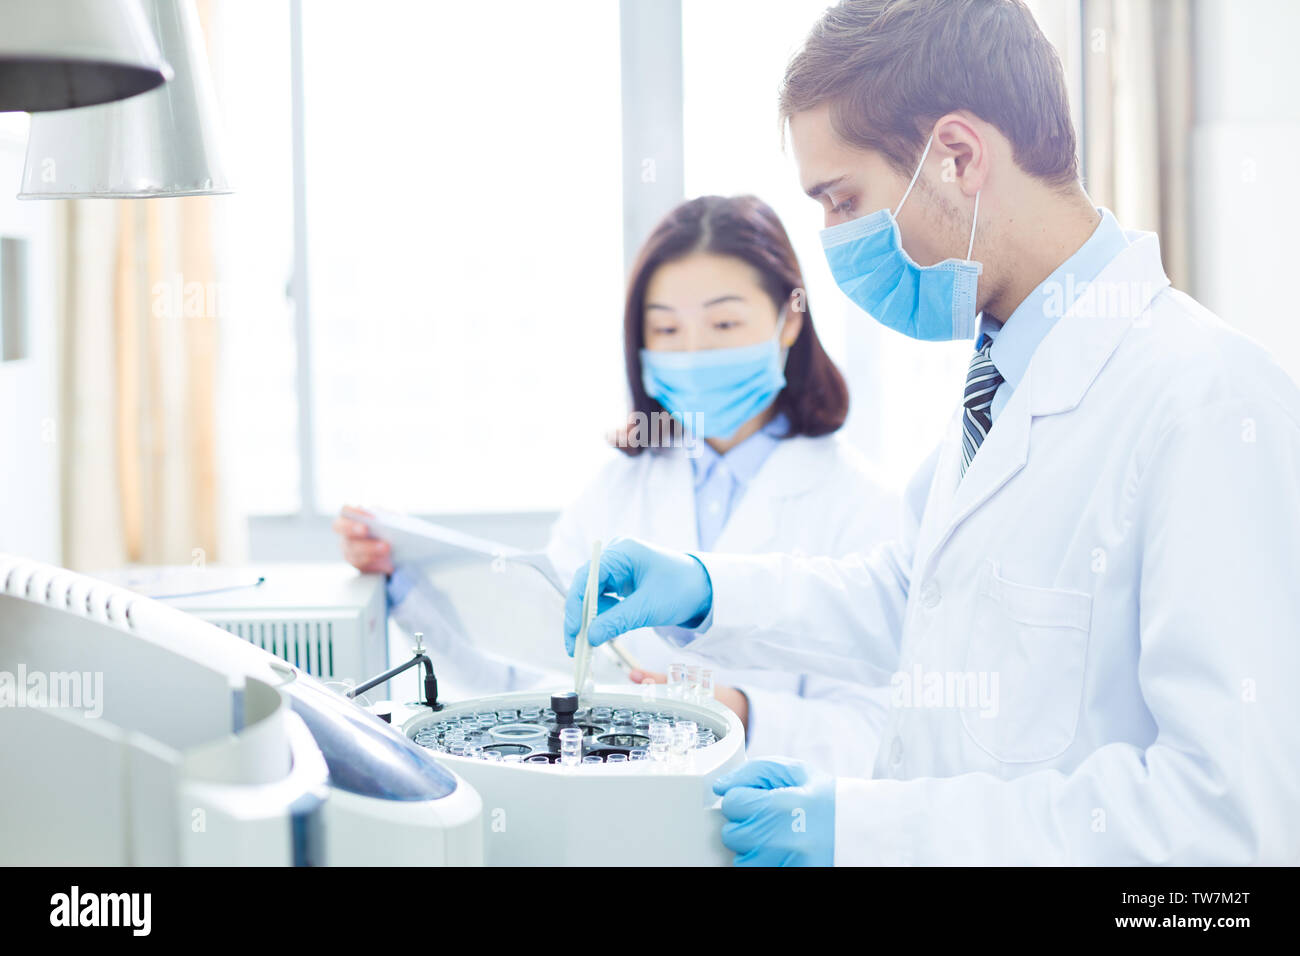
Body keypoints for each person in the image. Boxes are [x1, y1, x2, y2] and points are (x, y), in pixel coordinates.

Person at [562, 0, 1300, 866]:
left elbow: (1227, 818)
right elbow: (916, 600)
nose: (832, 242)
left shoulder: (1206, 400)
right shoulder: (1006, 375)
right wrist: (705, 590)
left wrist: (870, 828)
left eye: (842, 200)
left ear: (957, 156)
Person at [335, 194, 900, 777]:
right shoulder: (616, 490)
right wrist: (407, 577)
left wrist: (739, 713)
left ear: (791, 319)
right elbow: (529, 678)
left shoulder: (865, 506)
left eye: (725, 322)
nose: (693, 350)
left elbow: (884, 731)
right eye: (666, 328)